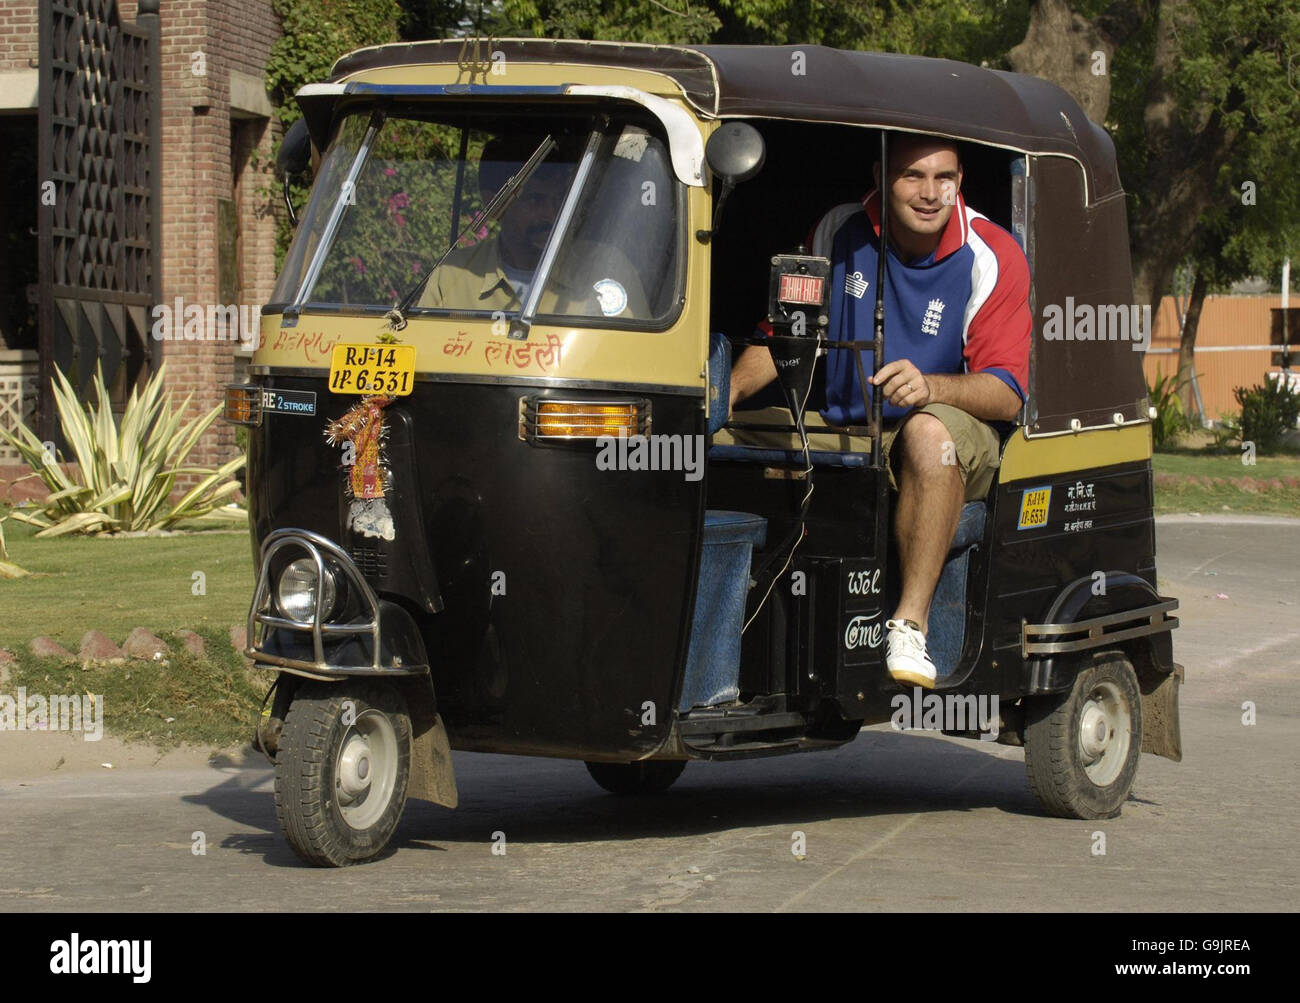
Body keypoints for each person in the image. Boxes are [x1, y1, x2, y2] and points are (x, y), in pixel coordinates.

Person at [728, 134, 1031, 689]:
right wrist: (722, 393)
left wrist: (929, 386)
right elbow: (788, 332)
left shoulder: (992, 253)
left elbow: (1007, 392)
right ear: (879, 176)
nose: (930, 193)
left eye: (944, 178)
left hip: (955, 432)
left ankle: (909, 626)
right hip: (847, 428)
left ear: (960, 181)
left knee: (926, 432)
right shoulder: (836, 230)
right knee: (733, 437)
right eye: (913, 176)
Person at [419, 135, 647, 318]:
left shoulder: (605, 268)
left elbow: (639, 361)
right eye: (535, 200)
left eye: (559, 200)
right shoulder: (454, 274)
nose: (550, 215)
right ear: (495, 205)